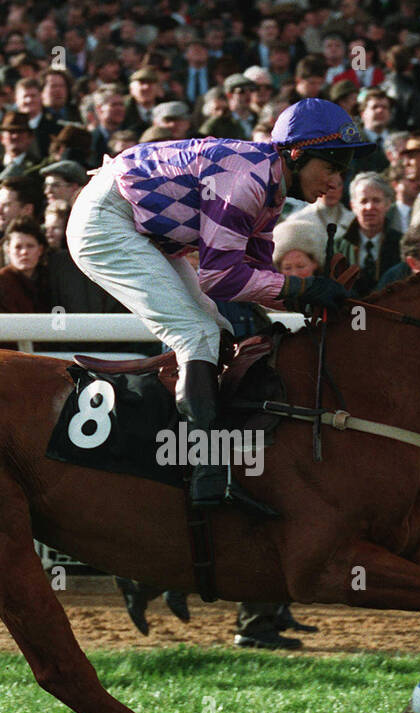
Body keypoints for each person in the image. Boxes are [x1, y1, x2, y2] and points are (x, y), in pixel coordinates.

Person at [66, 97, 368, 512]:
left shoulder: (270, 187)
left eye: (342, 170)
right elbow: (220, 278)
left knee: (219, 335)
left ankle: (195, 459)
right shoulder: (248, 181)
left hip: (140, 227)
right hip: (106, 221)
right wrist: (303, 288)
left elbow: (254, 275)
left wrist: (306, 299)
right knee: (197, 333)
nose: (335, 183)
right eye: (331, 166)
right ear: (297, 154)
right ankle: (206, 473)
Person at [0, 216, 51, 313]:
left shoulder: (48, 279)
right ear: (8, 250)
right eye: (18, 247)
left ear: (40, 250)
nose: (24, 252)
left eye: (30, 246)